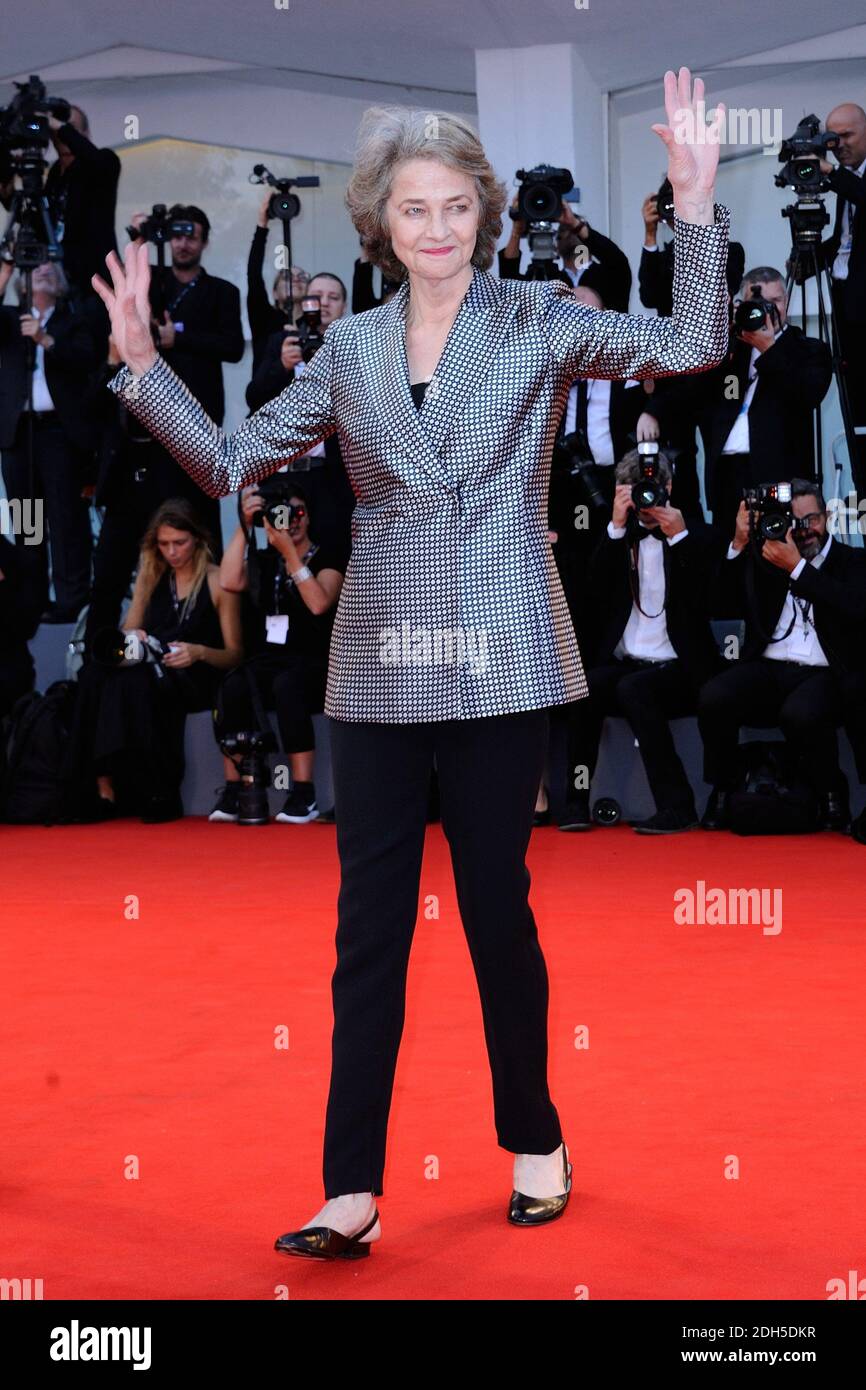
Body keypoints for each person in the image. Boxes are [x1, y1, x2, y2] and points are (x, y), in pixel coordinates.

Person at [92, 68, 731, 1258]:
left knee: (496, 914)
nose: (436, 228)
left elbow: (691, 343)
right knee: (367, 930)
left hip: (496, 658)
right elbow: (230, 460)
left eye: (455, 206)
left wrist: (692, 205)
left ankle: (533, 1138)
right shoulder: (345, 350)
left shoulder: (538, 320)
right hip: (379, 666)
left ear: (480, 214)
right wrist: (139, 365)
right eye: (412, 209)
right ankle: (349, 1186)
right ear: (380, 224)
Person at [561, 448, 725, 834]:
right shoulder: (616, 537)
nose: (646, 499)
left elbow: (715, 594)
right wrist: (616, 526)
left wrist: (679, 537)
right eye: (635, 489)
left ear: (669, 487)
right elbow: (593, 592)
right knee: (586, 687)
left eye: (652, 488)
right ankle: (575, 800)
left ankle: (677, 806)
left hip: (681, 668)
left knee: (636, 690)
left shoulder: (697, 536)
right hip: (626, 663)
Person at [698, 479, 866, 832]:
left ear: (828, 516)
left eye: (812, 520)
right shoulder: (767, 559)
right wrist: (739, 543)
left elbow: (854, 608)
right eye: (795, 522)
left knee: (800, 714)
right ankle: (725, 788)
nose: (804, 532)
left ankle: (832, 790)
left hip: (826, 672)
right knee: (715, 696)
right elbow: (721, 602)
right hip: (770, 667)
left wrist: (798, 570)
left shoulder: (853, 562)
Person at [68, 499, 242, 822]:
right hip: (156, 669)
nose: (172, 552)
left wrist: (198, 652)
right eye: (164, 544)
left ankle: (157, 788)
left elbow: (235, 654)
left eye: (180, 543)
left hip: (199, 673)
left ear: (198, 539)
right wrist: (138, 639)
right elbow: (128, 632)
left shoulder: (218, 580)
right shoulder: (154, 574)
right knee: (94, 674)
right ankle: (102, 787)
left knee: (137, 681)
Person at [211, 482, 346, 824]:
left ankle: (303, 791)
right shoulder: (266, 557)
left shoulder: (328, 556)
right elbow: (228, 581)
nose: (293, 520)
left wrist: (290, 554)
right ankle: (235, 788)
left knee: (289, 686)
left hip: (316, 662)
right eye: (283, 514)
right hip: (268, 660)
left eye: (299, 512)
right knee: (233, 684)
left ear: (310, 516)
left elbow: (318, 603)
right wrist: (245, 525)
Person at [0, 261, 106, 621]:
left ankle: (70, 600)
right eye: (36, 268)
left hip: (58, 434)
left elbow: (87, 359)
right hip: (20, 434)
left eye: (51, 269)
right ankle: (32, 599)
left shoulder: (72, 320)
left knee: (66, 519)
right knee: (28, 521)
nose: (43, 271)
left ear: (61, 282)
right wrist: (7, 267)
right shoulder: (10, 320)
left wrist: (46, 340)